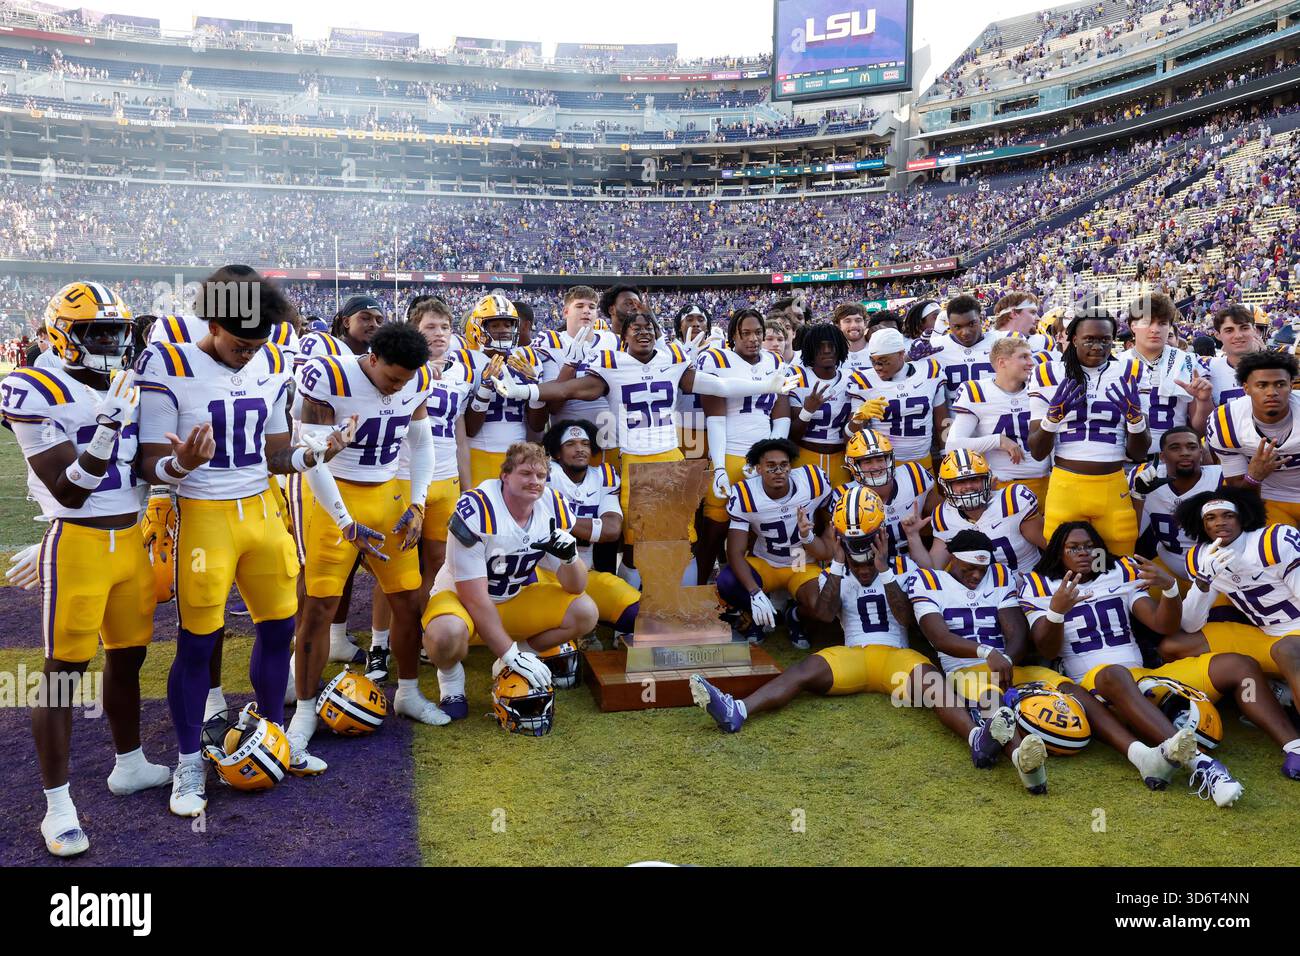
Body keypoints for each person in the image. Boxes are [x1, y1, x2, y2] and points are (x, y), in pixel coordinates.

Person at [135, 265, 346, 817]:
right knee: (197, 642)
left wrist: (311, 455)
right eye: (239, 343)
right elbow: (147, 462)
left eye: (256, 344)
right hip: (205, 517)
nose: (248, 354)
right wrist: (180, 464)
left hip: (262, 511)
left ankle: (273, 735)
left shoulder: (274, 359)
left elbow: (276, 452)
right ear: (212, 322)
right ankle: (188, 763)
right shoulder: (168, 362)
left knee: (279, 629)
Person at [2, 282, 168, 857]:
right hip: (77, 543)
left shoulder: (129, 383)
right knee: (63, 675)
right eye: (95, 331)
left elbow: (147, 467)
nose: (108, 342)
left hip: (131, 543)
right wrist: (104, 429)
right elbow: (69, 493)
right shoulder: (32, 388)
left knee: (129, 658)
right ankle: (58, 806)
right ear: (62, 336)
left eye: (116, 332)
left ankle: (129, 763)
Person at [489, 309, 793, 586]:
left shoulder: (672, 359)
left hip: (671, 458)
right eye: (636, 328)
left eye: (649, 327)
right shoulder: (612, 365)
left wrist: (767, 386)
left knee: (680, 539)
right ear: (624, 337)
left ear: (658, 334)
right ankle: (634, 610)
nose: (643, 332)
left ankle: (681, 605)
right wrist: (521, 390)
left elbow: (721, 387)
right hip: (635, 460)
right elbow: (568, 389)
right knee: (635, 542)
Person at [1022, 521, 1300, 804]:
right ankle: (1202, 766)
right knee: (1114, 674)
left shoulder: (1119, 572)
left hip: (1144, 678)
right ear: (1059, 552)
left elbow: (1162, 624)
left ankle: (1294, 746)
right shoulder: (1038, 585)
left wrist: (1169, 590)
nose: (1083, 552)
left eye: (1089, 546)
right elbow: (1047, 647)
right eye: (1074, 548)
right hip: (1097, 687)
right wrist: (1056, 612)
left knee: (1239, 665)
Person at [689, 488, 981, 756]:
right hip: (854, 655)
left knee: (933, 683)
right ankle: (737, 710)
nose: (862, 559)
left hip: (897, 657)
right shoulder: (835, 570)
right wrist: (839, 565)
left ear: (881, 535)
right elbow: (824, 614)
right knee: (804, 669)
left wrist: (884, 572)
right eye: (854, 544)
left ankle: (976, 738)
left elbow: (907, 618)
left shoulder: (904, 567)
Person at [290, 323, 447, 758]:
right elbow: (313, 457)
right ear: (373, 358)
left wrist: (416, 504)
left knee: (409, 599)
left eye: (406, 379)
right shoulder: (328, 377)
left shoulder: (419, 377)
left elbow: (423, 443)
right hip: (330, 492)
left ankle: (408, 693)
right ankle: (304, 710)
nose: (399, 386)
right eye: (393, 377)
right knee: (320, 604)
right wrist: (344, 521)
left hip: (385, 491)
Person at [420, 442, 599, 722]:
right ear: (505, 475)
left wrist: (570, 558)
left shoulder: (552, 507)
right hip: (461, 601)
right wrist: (510, 651)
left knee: (585, 611)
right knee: (445, 634)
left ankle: (511, 660)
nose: (534, 482)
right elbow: (475, 598)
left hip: (512, 597)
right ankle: (451, 679)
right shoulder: (477, 508)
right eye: (526, 473)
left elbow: (575, 586)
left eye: (541, 476)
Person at [907, 529, 1052, 793]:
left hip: (1006, 664)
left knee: (1066, 687)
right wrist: (987, 653)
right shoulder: (928, 581)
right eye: (969, 568)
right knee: (993, 702)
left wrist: (1006, 657)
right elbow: (939, 637)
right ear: (951, 557)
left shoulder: (998, 576)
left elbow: (1016, 630)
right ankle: (1024, 762)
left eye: (982, 569)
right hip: (965, 669)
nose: (977, 575)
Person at [1162, 488, 1300, 714]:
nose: (1220, 523)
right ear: (1202, 524)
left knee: (1287, 649)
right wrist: (1203, 581)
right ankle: (1274, 689)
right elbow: (1190, 625)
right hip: (1266, 636)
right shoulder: (1200, 558)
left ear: (1242, 517)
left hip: (1294, 636)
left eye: (1228, 515)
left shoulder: (1272, 541)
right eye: (1211, 517)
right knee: (1173, 646)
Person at [1028, 305, 1149, 555]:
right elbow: (1038, 451)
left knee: (1120, 562)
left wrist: (1135, 419)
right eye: (1089, 339)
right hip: (1066, 486)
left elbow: (1138, 453)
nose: (1098, 346)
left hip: (1112, 483)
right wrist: (1052, 418)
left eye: (1105, 339)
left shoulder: (1130, 371)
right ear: (1073, 339)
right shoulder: (1048, 373)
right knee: (1066, 566)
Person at [695, 307, 786, 584]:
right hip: (731, 451)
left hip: (763, 455)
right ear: (733, 334)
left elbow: (780, 412)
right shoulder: (716, 358)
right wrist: (720, 465)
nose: (752, 339)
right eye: (745, 333)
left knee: (757, 527)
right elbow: (716, 417)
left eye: (758, 332)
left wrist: (771, 452)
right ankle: (701, 585)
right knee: (715, 525)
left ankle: (742, 590)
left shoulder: (774, 360)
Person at [715, 438, 833, 648]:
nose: (778, 471)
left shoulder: (813, 481)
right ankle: (757, 615)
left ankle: (794, 616)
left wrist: (819, 545)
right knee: (727, 582)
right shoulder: (745, 495)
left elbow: (829, 522)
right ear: (758, 469)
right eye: (771, 466)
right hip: (766, 561)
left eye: (784, 465)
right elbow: (735, 551)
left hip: (801, 562)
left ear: (790, 466)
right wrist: (754, 592)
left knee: (821, 604)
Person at [542, 419, 639, 644]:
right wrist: (591, 526)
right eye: (571, 444)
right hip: (542, 575)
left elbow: (612, 530)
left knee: (636, 612)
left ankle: (585, 626)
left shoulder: (603, 477)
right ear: (556, 452)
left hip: (584, 575)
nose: (579, 449)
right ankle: (577, 631)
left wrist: (563, 523)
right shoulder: (546, 474)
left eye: (585, 443)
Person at [946, 336, 1050, 500]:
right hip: (1000, 486)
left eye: (1030, 356)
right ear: (1002, 362)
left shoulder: (1041, 388)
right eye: (1023, 357)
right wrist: (998, 440)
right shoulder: (976, 391)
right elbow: (953, 446)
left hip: (1046, 483)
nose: (1031, 362)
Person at [1204, 350, 1300, 526]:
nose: (1272, 392)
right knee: (1272, 549)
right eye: (1262, 385)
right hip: (1269, 498)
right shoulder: (1226, 422)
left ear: (1291, 385)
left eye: (1280, 384)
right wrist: (1253, 477)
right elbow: (1237, 494)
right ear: (1246, 388)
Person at [461, 293, 539, 487]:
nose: (503, 330)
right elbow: (470, 429)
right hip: (480, 453)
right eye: (494, 325)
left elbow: (537, 423)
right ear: (479, 328)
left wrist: (535, 387)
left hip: (519, 454)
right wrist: (486, 387)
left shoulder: (526, 359)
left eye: (508, 325)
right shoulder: (466, 360)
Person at [1129, 426, 1223, 583]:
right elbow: (1133, 534)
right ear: (1162, 456)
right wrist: (1139, 494)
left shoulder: (1221, 476)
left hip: (1214, 569)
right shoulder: (1143, 475)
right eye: (1175, 448)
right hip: (1167, 566)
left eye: (1192, 447)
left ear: (1201, 453)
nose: (1185, 452)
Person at [846, 326, 946, 471]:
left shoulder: (930, 371)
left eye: (883, 360)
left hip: (924, 463)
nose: (877, 366)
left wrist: (945, 453)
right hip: (884, 466)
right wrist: (857, 419)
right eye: (873, 361)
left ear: (901, 354)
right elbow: (848, 438)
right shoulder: (863, 381)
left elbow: (942, 422)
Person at [929, 450, 1045, 574]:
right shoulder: (944, 516)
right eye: (960, 481)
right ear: (946, 486)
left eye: (974, 479)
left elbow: (1052, 547)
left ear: (987, 479)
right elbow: (932, 569)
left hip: (1028, 585)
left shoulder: (1011, 502)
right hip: (980, 591)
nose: (968, 486)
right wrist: (913, 535)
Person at [771, 322, 856, 487]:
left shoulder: (852, 378)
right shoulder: (796, 376)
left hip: (841, 460)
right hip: (805, 458)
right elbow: (792, 435)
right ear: (810, 349)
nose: (826, 350)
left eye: (831, 345)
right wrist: (807, 411)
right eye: (820, 346)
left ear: (840, 347)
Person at [1125, 293, 1212, 445]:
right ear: (1133, 326)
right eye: (1147, 322)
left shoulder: (1186, 361)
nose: (1155, 329)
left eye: (1162, 323)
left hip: (1174, 458)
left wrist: (1203, 401)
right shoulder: (1118, 363)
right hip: (1127, 459)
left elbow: (1200, 430)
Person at [838, 428, 937, 561]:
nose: (876, 466)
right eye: (867, 461)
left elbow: (942, 514)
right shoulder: (843, 496)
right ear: (854, 465)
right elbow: (830, 548)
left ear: (890, 458)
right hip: (869, 568)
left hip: (912, 561)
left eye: (880, 459)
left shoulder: (914, 477)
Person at [1205, 304, 1266, 406]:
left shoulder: (1278, 366)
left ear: (1254, 330)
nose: (1238, 335)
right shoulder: (1208, 368)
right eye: (1229, 330)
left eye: (1244, 328)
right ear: (1217, 335)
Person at [833, 302, 872, 373]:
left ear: (865, 323)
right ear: (838, 326)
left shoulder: (877, 349)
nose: (853, 325)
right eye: (847, 321)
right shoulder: (832, 354)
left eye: (858, 320)